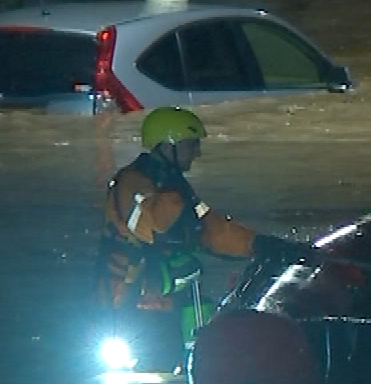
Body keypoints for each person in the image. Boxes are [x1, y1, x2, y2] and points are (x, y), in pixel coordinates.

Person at [99, 107, 315, 350]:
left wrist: (261, 244)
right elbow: (152, 226)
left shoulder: (175, 186)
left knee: (198, 281)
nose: (197, 152)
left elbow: (212, 229)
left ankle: (201, 353)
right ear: (171, 144)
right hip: (127, 289)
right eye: (192, 144)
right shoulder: (133, 182)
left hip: (160, 286)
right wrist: (175, 207)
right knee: (189, 270)